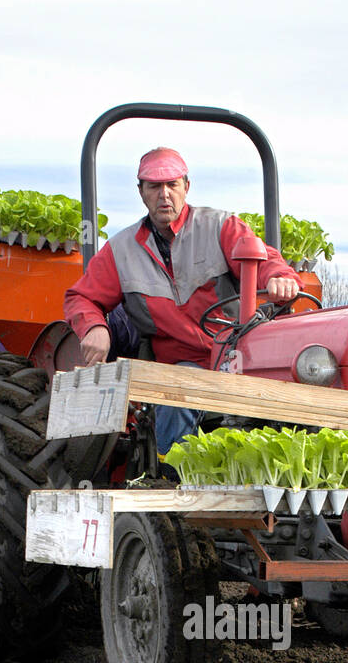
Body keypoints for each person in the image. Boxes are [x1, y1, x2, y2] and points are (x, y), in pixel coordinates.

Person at [64, 147, 301, 455]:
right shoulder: (121, 250)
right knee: (178, 395)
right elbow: (81, 296)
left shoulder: (220, 226)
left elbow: (264, 260)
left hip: (237, 357)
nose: (165, 194)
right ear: (142, 193)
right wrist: (94, 327)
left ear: (186, 187)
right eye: (154, 186)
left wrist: (279, 278)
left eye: (172, 185)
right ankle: (171, 482)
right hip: (179, 365)